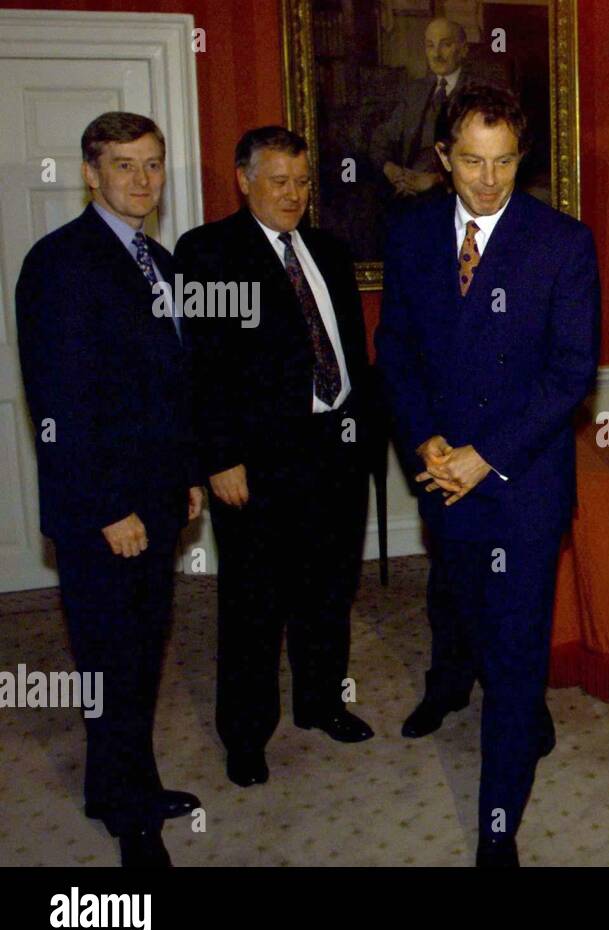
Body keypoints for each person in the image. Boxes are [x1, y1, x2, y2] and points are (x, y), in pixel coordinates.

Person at [376, 85, 599, 867]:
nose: (489, 180)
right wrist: (426, 440)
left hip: (522, 486)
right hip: (444, 481)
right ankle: (521, 704)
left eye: (505, 162)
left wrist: (485, 455)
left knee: (512, 653)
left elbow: (570, 374)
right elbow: (395, 352)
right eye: (472, 160)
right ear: (442, 158)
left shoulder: (562, 242)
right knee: (475, 625)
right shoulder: (408, 237)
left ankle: (496, 826)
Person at [16, 111, 204, 867]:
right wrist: (107, 509)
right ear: (90, 172)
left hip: (155, 498)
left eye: (153, 164)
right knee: (110, 661)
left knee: (139, 654)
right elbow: (60, 404)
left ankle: (122, 785)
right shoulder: (60, 263)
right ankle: (130, 818)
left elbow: (170, 385)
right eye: (124, 165)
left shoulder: (154, 258)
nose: (142, 179)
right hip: (106, 511)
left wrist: (187, 472)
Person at [174, 126, 376, 790]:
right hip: (257, 465)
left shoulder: (328, 250)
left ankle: (321, 703)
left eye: (302, 181)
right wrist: (219, 456)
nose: (293, 194)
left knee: (327, 589)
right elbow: (201, 366)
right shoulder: (206, 252)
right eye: (278, 181)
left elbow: (348, 350)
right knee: (254, 603)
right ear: (243, 179)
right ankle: (246, 734)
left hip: (336, 453)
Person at [369, 17, 509, 201]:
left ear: (463, 50)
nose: (436, 54)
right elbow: (382, 138)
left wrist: (437, 179)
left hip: (453, 190)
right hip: (408, 186)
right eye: (430, 45)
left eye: (446, 45)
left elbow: (488, 154)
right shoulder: (415, 91)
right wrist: (391, 169)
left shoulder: (480, 91)